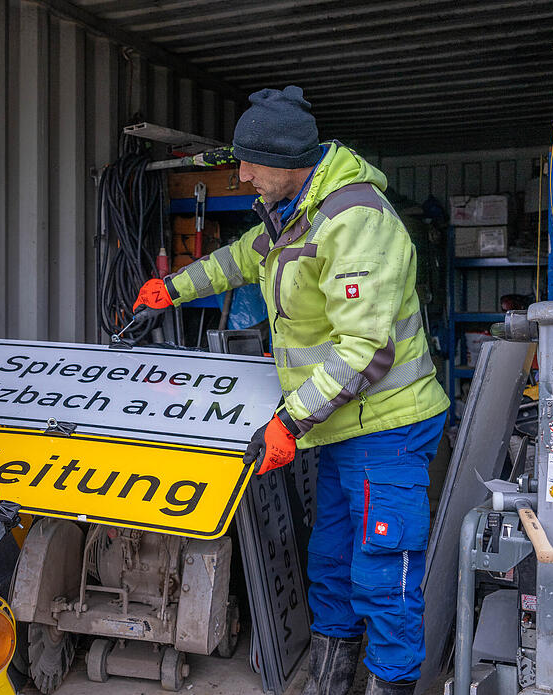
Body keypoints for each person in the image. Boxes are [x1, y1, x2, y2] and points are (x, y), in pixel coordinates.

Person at [134, 87, 449, 695]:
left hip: (387, 426)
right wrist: (171, 289)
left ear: (292, 161)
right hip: (337, 428)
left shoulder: (357, 222)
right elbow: (236, 262)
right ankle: (330, 682)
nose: (242, 174)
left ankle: (392, 684)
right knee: (330, 563)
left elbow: (366, 352)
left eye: (252, 163)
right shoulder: (290, 216)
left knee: (382, 572)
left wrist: (290, 421)